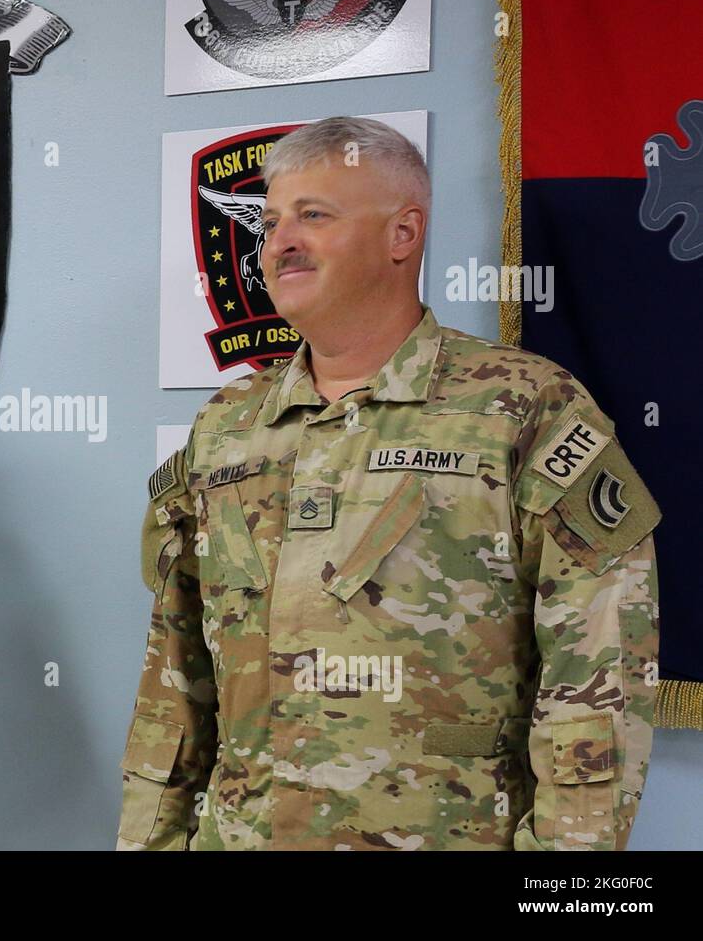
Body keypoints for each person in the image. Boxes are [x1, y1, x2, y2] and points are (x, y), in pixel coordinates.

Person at [119, 116, 660, 851]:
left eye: (314, 215)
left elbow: (599, 692)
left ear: (403, 234)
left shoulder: (522, 406)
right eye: (271, 221)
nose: (277, 243)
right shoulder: (227, 426)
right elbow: (176, 678)